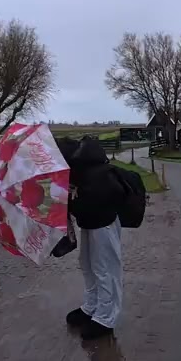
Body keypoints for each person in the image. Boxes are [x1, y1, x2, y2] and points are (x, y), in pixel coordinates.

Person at [62, 136, 125, 341]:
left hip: (103, 223)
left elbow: (90, 202)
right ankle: (92, 307)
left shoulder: (94, 176)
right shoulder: (79, 172)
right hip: (90, 222)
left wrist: (72, 202)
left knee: (105, 269)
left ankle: (106, 318)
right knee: (87, 264)